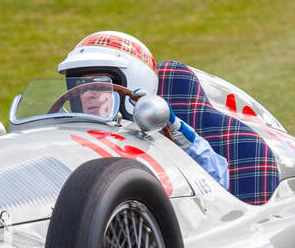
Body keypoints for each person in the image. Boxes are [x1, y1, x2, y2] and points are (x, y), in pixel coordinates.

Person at [58, 31, 229, 190]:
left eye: (101, 84)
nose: (87, 94)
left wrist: (179, 135)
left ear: (132, 83)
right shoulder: (64, 137)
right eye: (80, 85)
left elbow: (219, 181)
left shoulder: (159, 135)